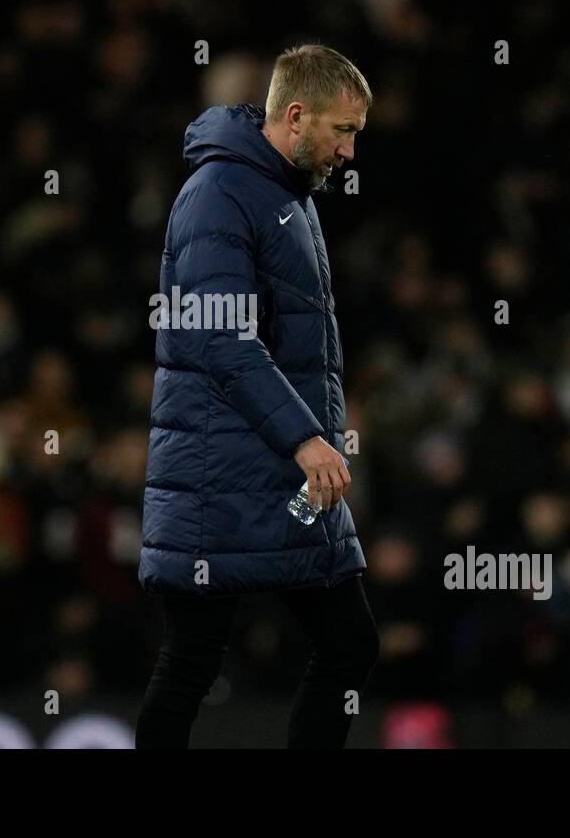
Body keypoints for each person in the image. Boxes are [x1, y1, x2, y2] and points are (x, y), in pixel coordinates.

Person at [137, 44, 379, 748]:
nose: (350, 150)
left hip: (277, 474)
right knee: (191, 663)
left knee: (348, 642)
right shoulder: (219, 192)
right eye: (343, 130)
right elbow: (221, 339)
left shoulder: (285, 194)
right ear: (296, 116)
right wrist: (306, 438)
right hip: (221, 471)